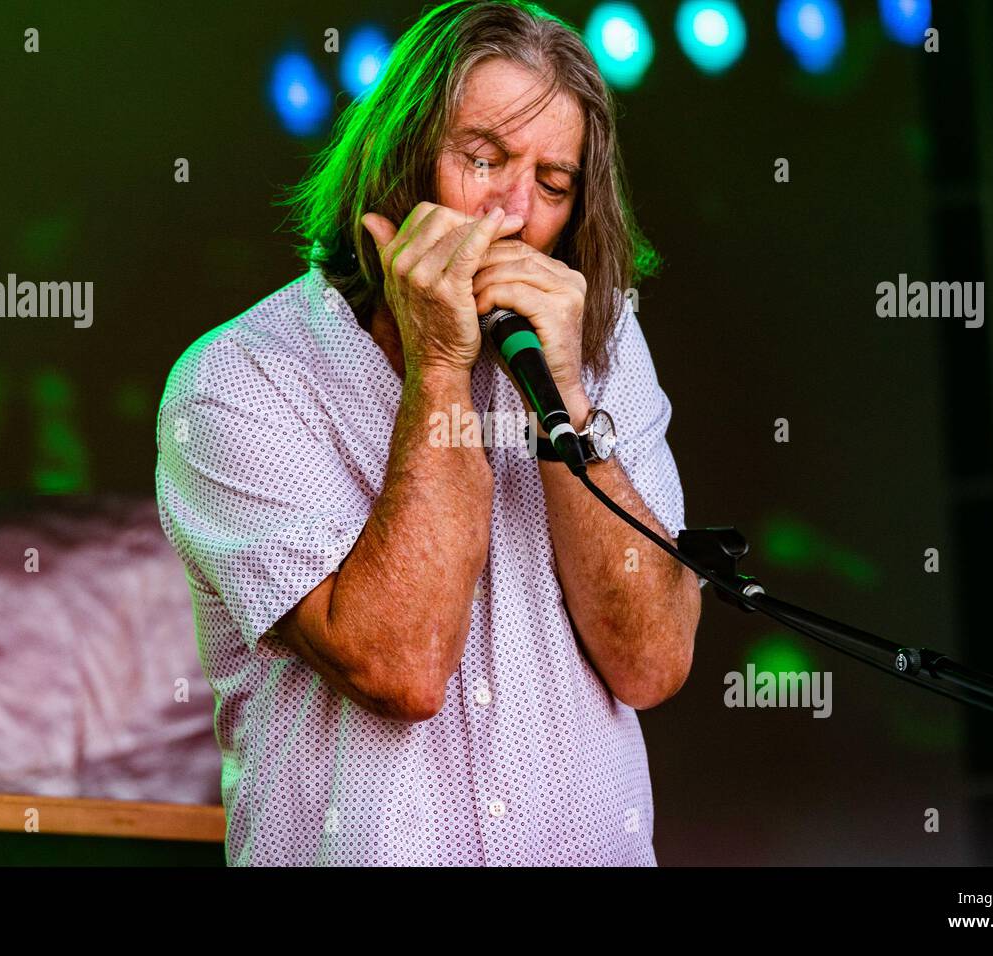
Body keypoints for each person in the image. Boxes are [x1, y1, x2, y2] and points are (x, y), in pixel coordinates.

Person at [155, 0, 702, 866]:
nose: (516, 212)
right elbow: (398, 666)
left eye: (553, 184)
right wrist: (441, 362)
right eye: (483, 159)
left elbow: (654, 660)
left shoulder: (599, 349)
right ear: (400, 156)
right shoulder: (238, 379)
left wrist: (564, 396)